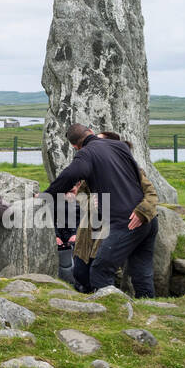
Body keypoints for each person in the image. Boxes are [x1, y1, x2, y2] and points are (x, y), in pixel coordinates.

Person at [42, 124, 158, 297]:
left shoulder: (89, 153)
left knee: (100, 271)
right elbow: (83, 193)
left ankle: (110, 314)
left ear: (75, 146)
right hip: (137, 222)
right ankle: (149, 310)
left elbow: (70, 174)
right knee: (142, 274)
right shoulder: (119, 150)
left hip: (126, 222)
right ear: (90, 132)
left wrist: (46, 195)